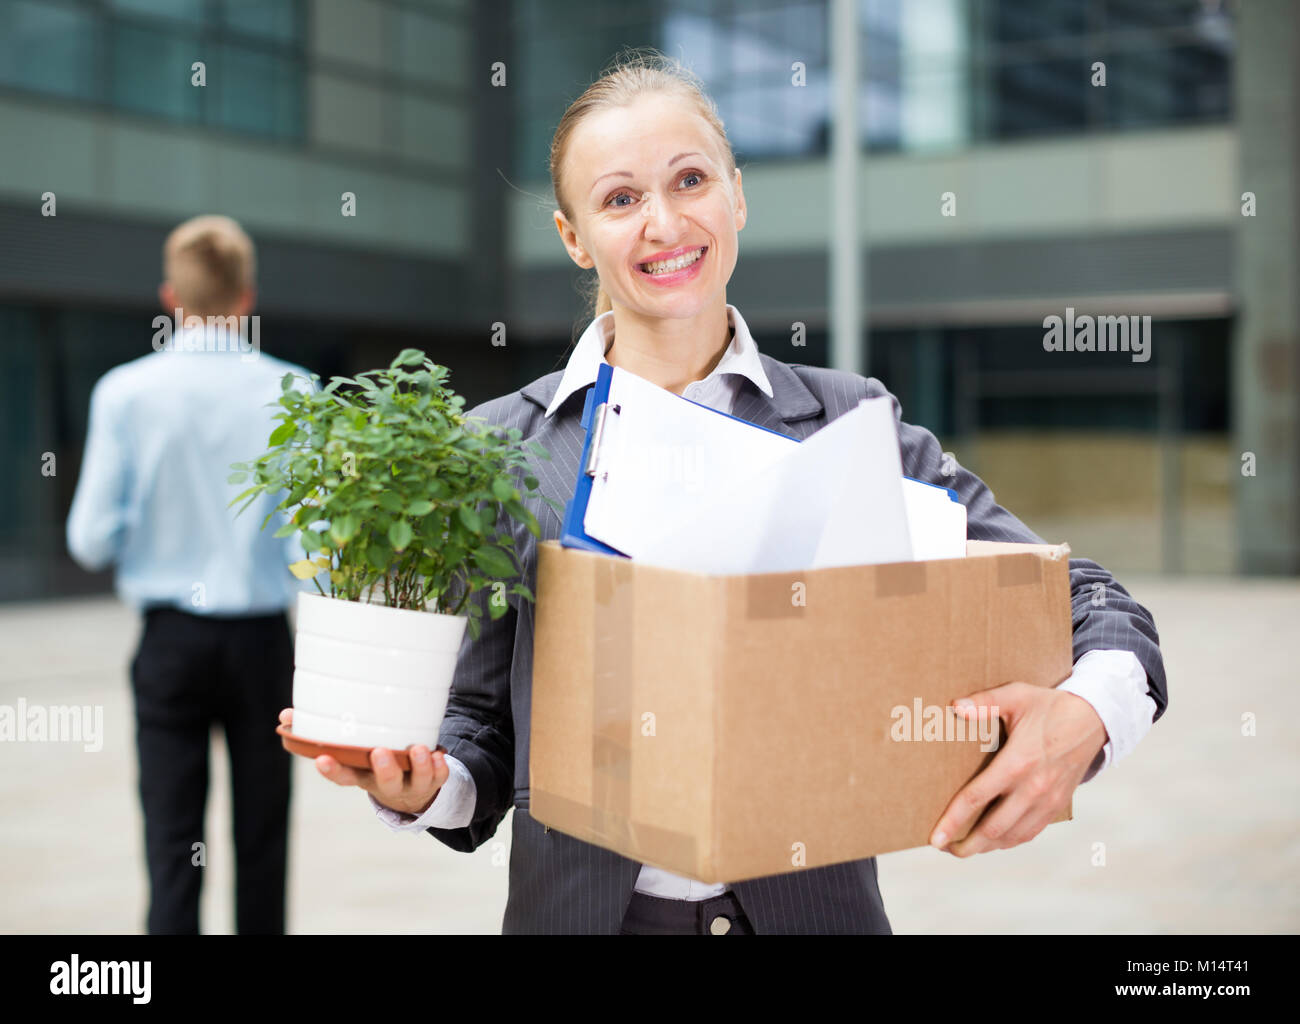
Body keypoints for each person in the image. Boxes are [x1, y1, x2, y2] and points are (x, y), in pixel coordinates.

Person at [282, 52, 1167, 935]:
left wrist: (1086, 717)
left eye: (691, 180)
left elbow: (1086, 598)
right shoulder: (497, 451)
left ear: (737, 197)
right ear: (573, 237)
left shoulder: (846, 421)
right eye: (621, 199)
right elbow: (480, 725)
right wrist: (427, 786)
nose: (664, 223)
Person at [67, 214, 311, 934]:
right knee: (263, 840)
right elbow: (317, 546)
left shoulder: (124, 393)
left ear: (172, 296)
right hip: (265, 644)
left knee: (173, 844)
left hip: (169, 642)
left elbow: (88, 540)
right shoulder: (295, 391)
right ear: (247, 298)